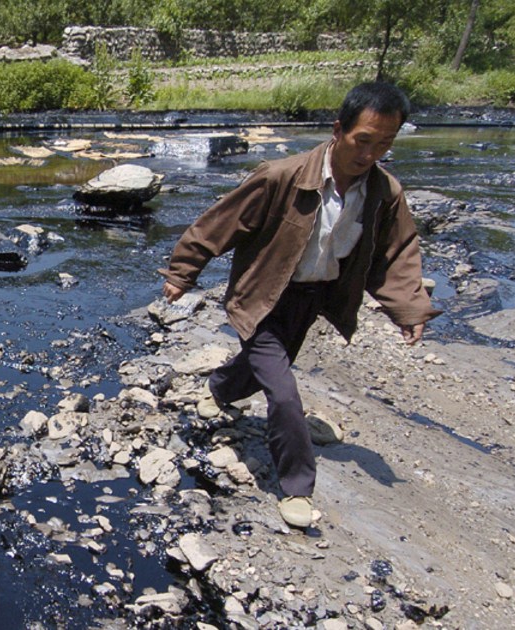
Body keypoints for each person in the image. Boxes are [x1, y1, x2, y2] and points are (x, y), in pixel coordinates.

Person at [159, 81, 441, 529]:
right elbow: (218, 224)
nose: (370, 154)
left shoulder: (384, 193)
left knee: (263, 365)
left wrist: (408, 309)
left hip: (314, 297)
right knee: (283, 392)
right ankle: (295, 486)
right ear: (338, 130)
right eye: (362, 141)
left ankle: (218, 389)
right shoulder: (281, 176)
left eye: (384, 144)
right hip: (262, 295)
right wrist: (182, 273)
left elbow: (397, 253)